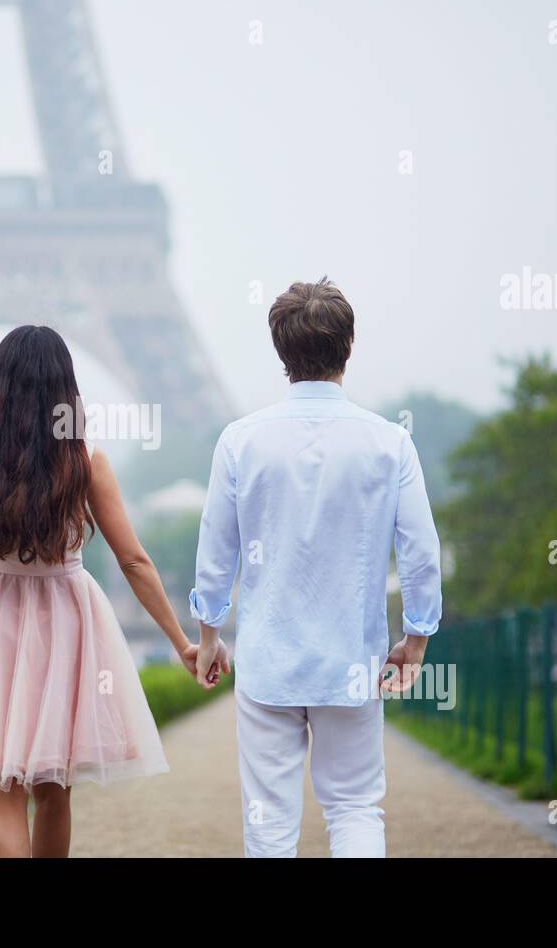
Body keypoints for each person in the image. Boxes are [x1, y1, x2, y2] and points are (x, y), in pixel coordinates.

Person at [0, 324, 228, 858]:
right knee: (54, 793)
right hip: (65, 623)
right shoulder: (82, 462)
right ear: (65, 392)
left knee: (5, 799)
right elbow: (132, 559)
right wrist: (182, 642)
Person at [190, 277, 443, 858]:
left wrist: (209, 634)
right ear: (348, 346)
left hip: (268, 660)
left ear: (280, 352)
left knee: (270, 821)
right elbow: (420, 549)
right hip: (352, 657)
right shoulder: (389, 443)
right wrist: (417, 638)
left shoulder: (240, 441)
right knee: (355, 806)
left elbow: (215, 550)